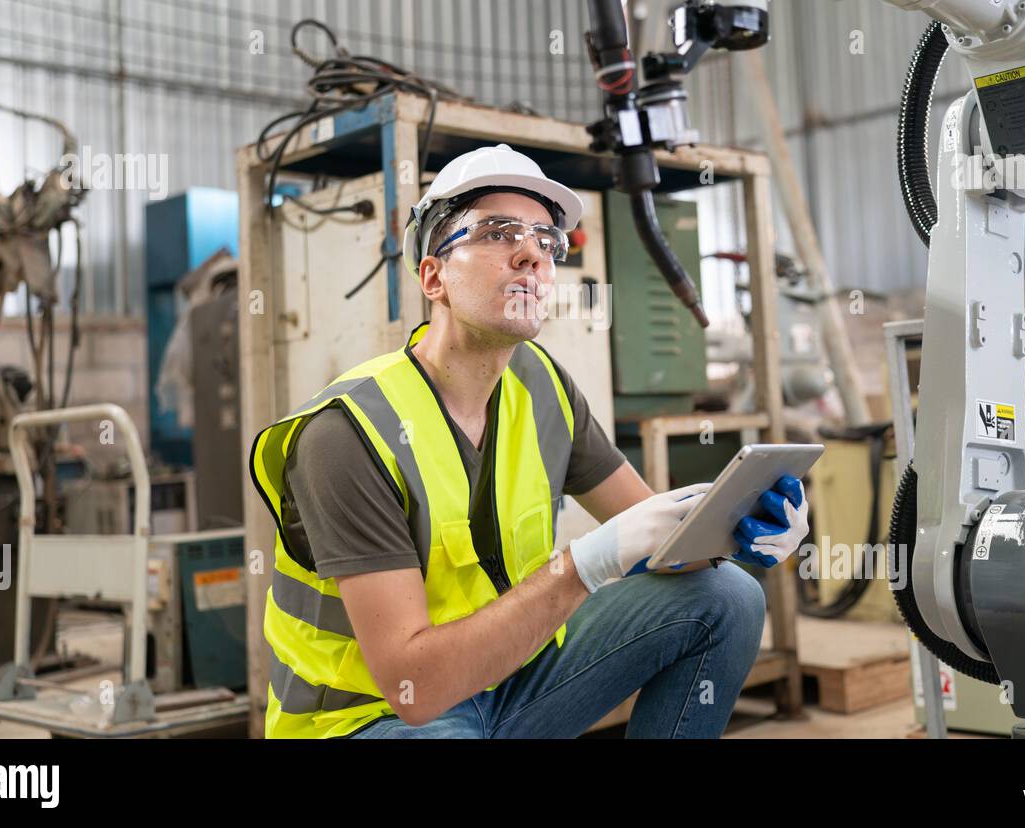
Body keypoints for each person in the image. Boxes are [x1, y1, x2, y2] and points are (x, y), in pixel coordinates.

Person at [248, 143, 810, 738]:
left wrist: (734, 529)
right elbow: (413, 687)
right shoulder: (347, 434)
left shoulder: (543, 388)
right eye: (497, 233)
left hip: (507, 677)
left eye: (547, 241)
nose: (531, 256)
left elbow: (662, 538)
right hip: (374, 718)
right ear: (433, 276)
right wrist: (583, 566)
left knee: (727, 595)